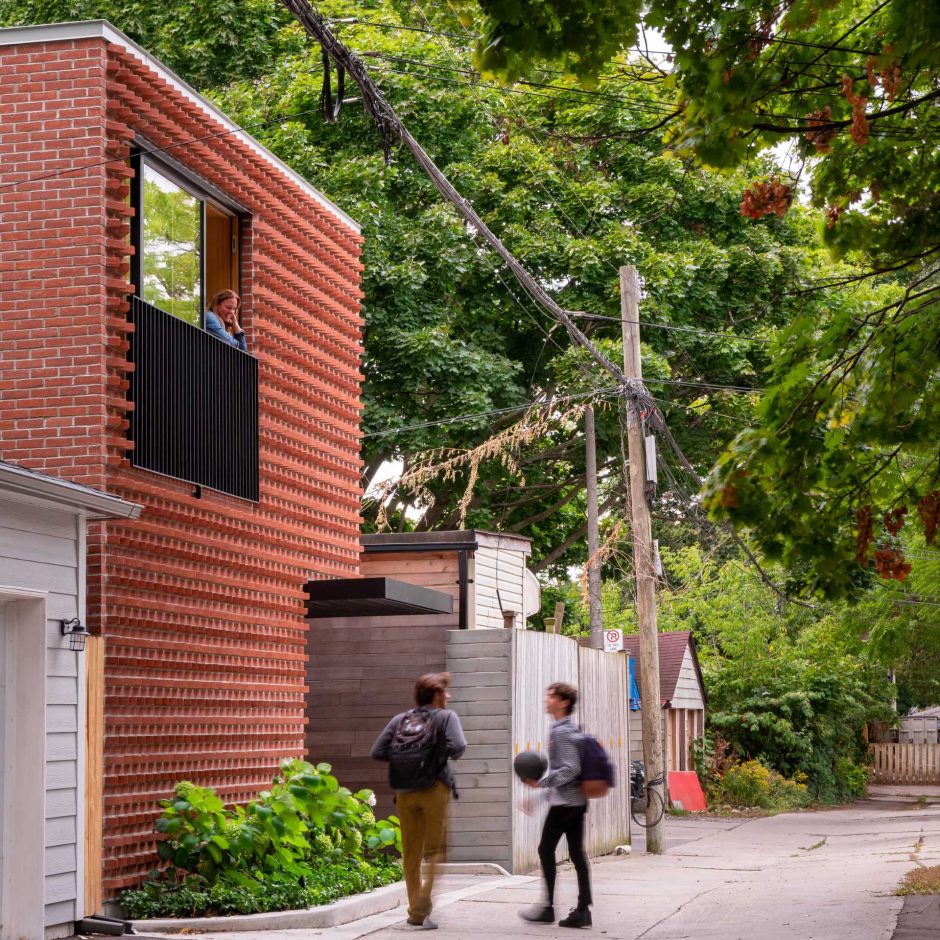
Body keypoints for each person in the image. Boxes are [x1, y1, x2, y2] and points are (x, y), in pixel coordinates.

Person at [371, 672, 466, 930]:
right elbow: (458, 747)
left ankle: (415, 912)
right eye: (445, 692)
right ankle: (422, 905)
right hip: (434, 789)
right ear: (436, 695)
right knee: (436, 851)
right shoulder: (447, 717)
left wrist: (408, 761)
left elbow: (378, 751)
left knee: (411, 855)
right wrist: (433, 756)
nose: (448, 696)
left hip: (404, 792)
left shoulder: (400, 719)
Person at [520, 681, 592, 929]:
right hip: (575, 801)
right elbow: (567, 770)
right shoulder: (566, 729)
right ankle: (582, 910)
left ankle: (549, 908)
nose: (546, 700)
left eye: (551, 696)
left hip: (566, 804)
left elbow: (571, 769)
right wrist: (540, 797)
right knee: (576, 855)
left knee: (545, 849)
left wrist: (540, 785)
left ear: (564, 702)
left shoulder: (561, 732)